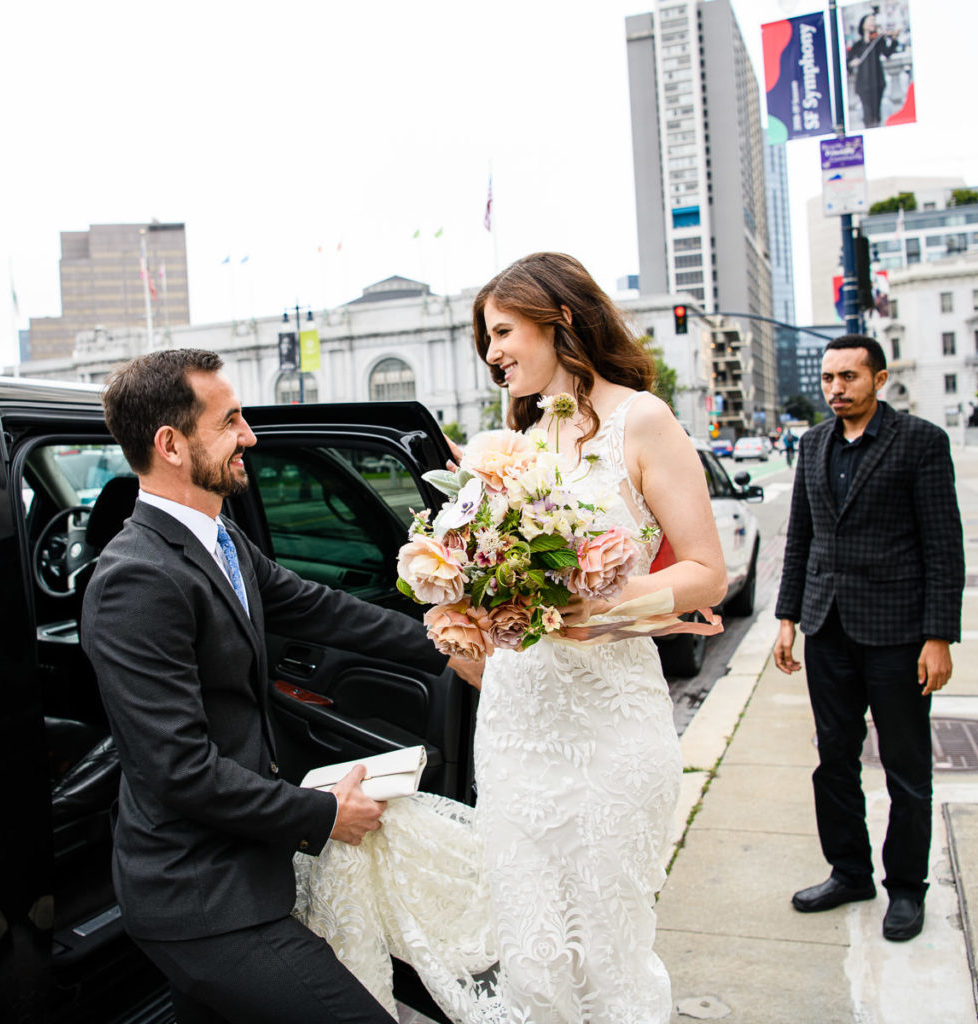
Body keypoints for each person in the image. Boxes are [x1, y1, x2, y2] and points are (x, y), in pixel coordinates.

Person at [301, 253, 729, 1022]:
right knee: (530, 942)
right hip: (515, 720)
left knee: (607, 944)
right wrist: (468, 617)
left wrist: (594, 606)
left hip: (610, 725)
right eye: (485, 338)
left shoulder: (644, 420)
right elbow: (498, 580)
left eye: (502, 331)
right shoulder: (510, 444)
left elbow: (705, 572)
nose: (492, 351)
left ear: (558, 318)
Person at [81, 348, 481, 1024]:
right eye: (231, 421)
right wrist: (324, 816)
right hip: (199, 897)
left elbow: (320, 609)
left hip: (239, 872)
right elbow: (180, 769)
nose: (251, 437)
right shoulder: (136, 581)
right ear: (171, 445)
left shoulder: (222, 540)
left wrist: (450, 647)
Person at [772, 334, 963, 943]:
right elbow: (800, 536)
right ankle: (850, 871)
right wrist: (786, 619)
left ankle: (907, 889)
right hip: (827, 627)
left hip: (899, 634)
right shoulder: (813, 442)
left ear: (879, 380)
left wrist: (940, 637)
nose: (836, 389)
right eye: (829, 378)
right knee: (834, 761)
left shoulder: (921, 443)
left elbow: (943, 546)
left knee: (906, 769)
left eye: (849, 377)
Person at [846, 11, 902, 128]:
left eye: (874, 21)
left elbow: (887, 53)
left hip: (877, 80)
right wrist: (852, 64)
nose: (873, 23)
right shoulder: (858, 45)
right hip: (863, 83)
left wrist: (894, 39)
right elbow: (848, 62)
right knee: (867, 113)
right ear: (863, 25)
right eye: (870, 21)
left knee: (877, 114)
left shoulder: (878, 41)